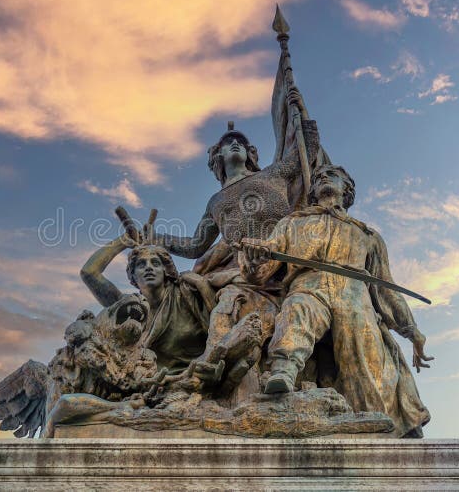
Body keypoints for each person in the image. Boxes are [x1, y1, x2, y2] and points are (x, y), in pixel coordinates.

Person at [240, 164, 434, 437]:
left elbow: (386, 288)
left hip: (354, 292)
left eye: (331, 175)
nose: (322, 178)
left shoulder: (367, 236)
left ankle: (379, 418)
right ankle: (283, 371)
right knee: (298, 312)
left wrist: (411, 329)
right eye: (318, 177)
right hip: (308, 282)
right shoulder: (292, 223)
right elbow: (262, 265)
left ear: (347, 189)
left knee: (364, 352)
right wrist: (255, 253)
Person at [155, 89, 326, 391]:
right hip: (244, 274)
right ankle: (212, 364)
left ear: (250, 153)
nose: (235, 144)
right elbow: (196, 245)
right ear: (217, 157)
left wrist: (301, 112)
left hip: (287, 264)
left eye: (241, 143)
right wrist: (155, 237)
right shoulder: (216, 201)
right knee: (228, 304)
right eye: (227, 144)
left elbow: (304, 154)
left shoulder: (274, 174)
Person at [80, 235, 214, 373]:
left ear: (165, 270)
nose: (148, 268)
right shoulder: (130, 308)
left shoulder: (187, 293)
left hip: (200, 377)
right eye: (141, 264)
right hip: (151, 385)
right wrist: (124, 240)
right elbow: (89, 273)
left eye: (155, 263)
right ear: (133, 275)